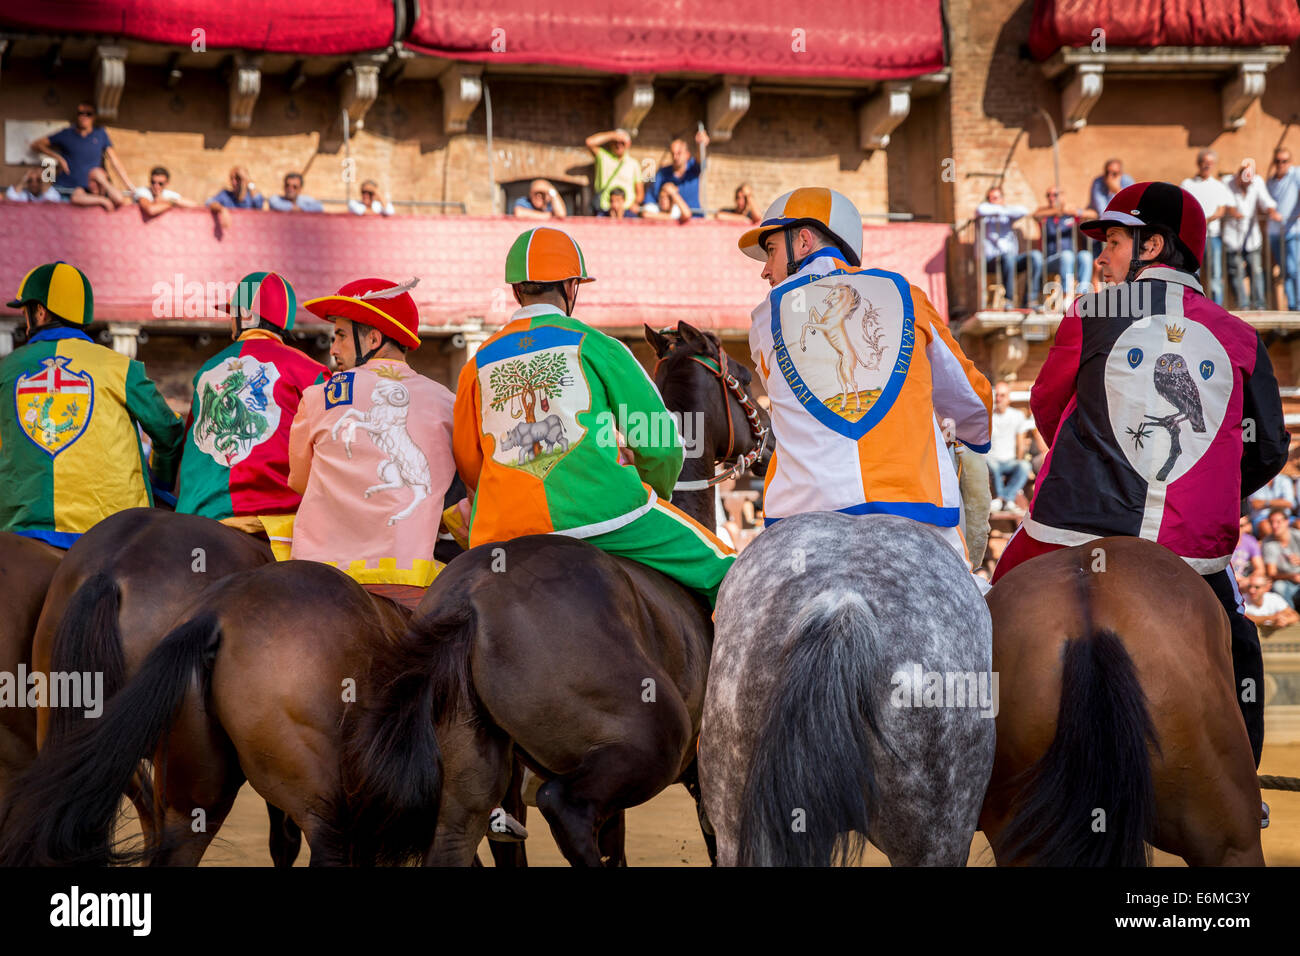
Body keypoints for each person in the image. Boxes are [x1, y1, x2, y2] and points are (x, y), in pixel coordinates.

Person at [991, 181, 1290, 771]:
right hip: (1190, 555)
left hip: (1072, 533)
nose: (1099, 257)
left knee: (990, 612)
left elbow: (1050, 406)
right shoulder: (1242, 337)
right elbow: (1270, 448)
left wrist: (1096, 461)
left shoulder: (1090, 312)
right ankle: (1241, 786)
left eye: (1114, 242)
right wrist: (1203, 490)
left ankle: (968, 767)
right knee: (1238, 647)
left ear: (1152, 246)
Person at [453, 226, 735, 604]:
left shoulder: (476, 364)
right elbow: (662, 445)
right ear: (571, 288)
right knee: (733, 575)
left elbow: (470, 463)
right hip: (603, 517)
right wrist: (653, 492)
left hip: (502, 534)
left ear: (517, 290)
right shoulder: (599, 346)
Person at [738, 187, 993, 570]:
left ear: (804, 241)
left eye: (771, 250)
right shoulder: (909, 294)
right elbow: (973, 401)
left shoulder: (763, 317)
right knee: (981, 615)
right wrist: (973, 437)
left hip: (802, 524)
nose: (765, 270)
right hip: (916, 514)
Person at [288, 277, 455, 606]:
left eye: (340, 336)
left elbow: (300, 482)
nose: (333, 349)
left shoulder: (319, 395)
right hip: (407, 580)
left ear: (374, 338)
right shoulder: (447, 402)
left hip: (319, 579)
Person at [0, 262, 184, 548]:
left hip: (18, 529)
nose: (26, 322)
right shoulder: (121, 367)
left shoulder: (5, 370)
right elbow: (169, 431)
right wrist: (161, 479)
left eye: (25, 313)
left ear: (40, 312)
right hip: (115, 533)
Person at [174, 272, 329, 547]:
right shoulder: (312, 372)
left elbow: (190, 442)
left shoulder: (206, 371)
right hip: (275, 524)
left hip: (197, 521)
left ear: (244, 317)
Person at [29, 102, 135, 209]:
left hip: (90, 193)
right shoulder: (67, 134)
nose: (84, 116)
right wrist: (58, 158)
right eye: (81, 113)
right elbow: (36, 145)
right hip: (65, 191)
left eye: (88, 114)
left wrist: (129, 186)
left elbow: (114, 161)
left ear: (94, 117)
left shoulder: (100, 134)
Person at [1221, 158, 1282, 311]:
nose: (1247, 186)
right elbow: (1229, 206)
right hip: (1233, 239)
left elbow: (1266, 202)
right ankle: (1244, 306)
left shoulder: (1257, 182)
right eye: (1244, 183)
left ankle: (1259, 304)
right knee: (1236, 272)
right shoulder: (1227, 182)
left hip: (1252, 238)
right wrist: (1236, 213)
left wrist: (1272, 212)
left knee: (1256, 271)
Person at [977, 186, 1043, 310]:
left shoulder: (1005, 213)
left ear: (1002, 199)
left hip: (1011, 261)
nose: (993, 201)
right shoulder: (986, 215)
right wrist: (1001, 210)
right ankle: (1009, 300)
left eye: (996, 198)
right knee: (1008, 256)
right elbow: (981, 209)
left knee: (1036, 256)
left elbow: (1023, 211)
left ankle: (1030, 300)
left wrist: (1001, 210)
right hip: (991, 261)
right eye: (991, 199)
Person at [1181, 150, 1233, 305]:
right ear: (1199, 163)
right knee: (1192, 274)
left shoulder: (1219, 186)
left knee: (1215, 275)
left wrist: (1204, 220)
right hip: (1193, 238)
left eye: (1211, 162)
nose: (1207, 165)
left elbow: (1221, 210)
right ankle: (1191, 306)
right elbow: (1184, 208)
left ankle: (1216, 307)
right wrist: (1202, 220)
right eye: (1205, 161)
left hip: (1213, 236)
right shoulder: (1187, 184)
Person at [1032, 186, 1095, 297]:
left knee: (1086, 256)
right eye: (1048, 195)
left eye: (1055, 195)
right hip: (1050, 260)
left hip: (1072, 258)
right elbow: (1035, 215)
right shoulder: (1045, 213)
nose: (1051, 198)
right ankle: (1067, 293)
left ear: (1062, 196)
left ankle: (1082, 294)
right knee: (1067, 255)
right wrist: (1057, 211)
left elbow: (1093, 215)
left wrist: (1077, 211)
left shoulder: (1070, 212)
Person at [641, 130, 708, 221]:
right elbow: (650, 203)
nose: (675, 157)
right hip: (673, 223)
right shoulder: (662, 173)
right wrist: (671, 217)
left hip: (695, 219)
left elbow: (700, 159)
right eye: (673, 154)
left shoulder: (693, 169)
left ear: (687, 155)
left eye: (679, 153)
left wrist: (701, 146)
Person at [988, 382, 1032, 513]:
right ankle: (1004, 499)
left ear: (1008, 398)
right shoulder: (988, 416)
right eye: (997, 395)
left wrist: (1019, 459)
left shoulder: (1017, 416)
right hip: (991, 460)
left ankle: (1004, 498)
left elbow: (1021, 442)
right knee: (992, 463)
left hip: (1009, 461)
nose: (998, 398)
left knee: (1025, 466)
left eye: (1002, 395)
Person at [1266, 147, 1300, 311]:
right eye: (1278, 161)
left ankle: (1299, 305)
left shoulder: (1295, 175)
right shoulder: (1270, 182)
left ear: (1290, 162)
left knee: (1295, 269)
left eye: (1284, 161)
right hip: (1274, 233)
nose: (1281, 164)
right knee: (1285, 271)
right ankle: (1292, 306)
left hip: (1292, 231)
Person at [585, 128, 643, 214]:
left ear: (628, 144)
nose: (618, 145)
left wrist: (634, 205)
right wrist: (613, 135)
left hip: (626, 211)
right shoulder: (603, 157)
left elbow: (640, 193)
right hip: (604, 209)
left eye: (622, 143)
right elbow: (589, 142)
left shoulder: (634, 164)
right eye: (615, 142)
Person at [1262, 507, 1300, 607]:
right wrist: (1291, 576)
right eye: (1271, 522)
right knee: (1279, 587)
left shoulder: (1297, 535)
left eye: (1278, 522)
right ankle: (1290, 616)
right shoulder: (1268, 543)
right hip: (1286, 580)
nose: (1275, 526)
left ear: (1287, 521)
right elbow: (1271, 572)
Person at [133, 166, 199, 219]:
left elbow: (194, 205)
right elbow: (151, 210)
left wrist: (170, 201)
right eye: (153, 182)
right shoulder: (143, 191)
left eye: (160, 183)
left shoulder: (167, 194)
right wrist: (170, 203)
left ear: (167, 183)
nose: (156, 186)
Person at [1233, 514, 1265, 588]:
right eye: (1235, 525)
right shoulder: (1222, 542)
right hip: (1228, 581)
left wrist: (1248, 580)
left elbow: (1260, 568)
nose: (1238, 528)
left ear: (1247, 527)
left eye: (1241, 526)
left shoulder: (1250, 541)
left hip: (1246, 582)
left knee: (1261, 581)